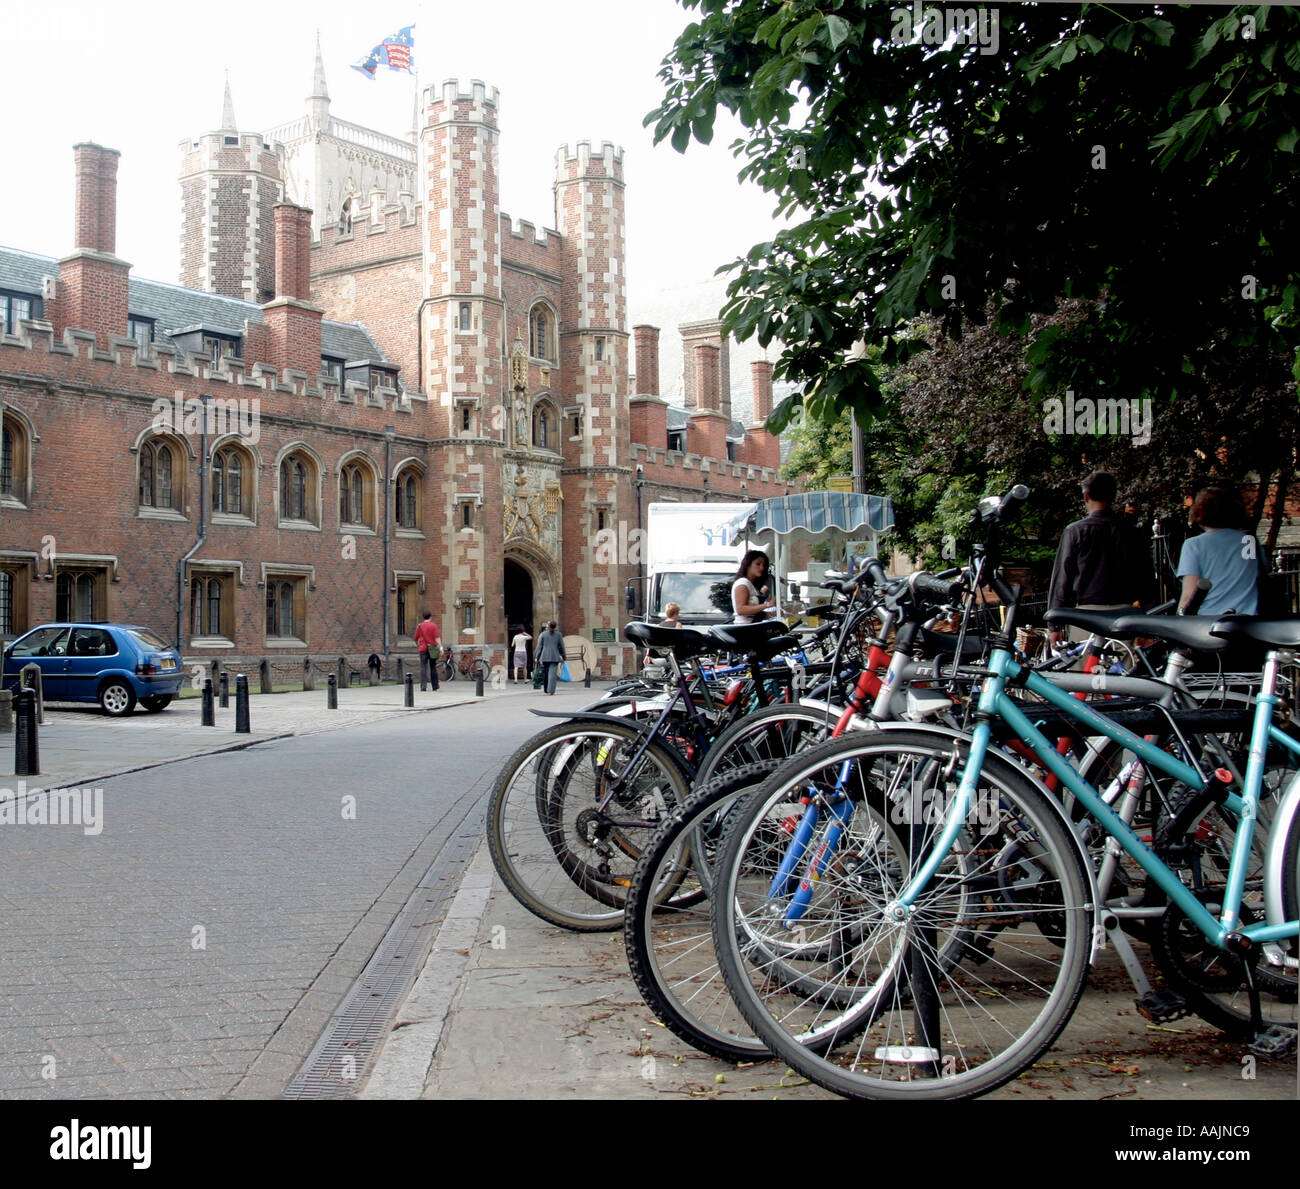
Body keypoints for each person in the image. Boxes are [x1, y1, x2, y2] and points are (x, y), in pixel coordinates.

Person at [1047, 472, 1155, 648]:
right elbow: (1146, 580)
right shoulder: (1132, 532)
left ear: (1086, 496)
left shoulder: (1074, 531)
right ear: (1113, 495)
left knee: (1085, 672)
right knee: (1121, 669)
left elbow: (1062, 580)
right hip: (1125, 616)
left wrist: (1054, 624)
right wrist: (1149, 625)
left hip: (1085, 616)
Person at [1176, 487, 1262, 616]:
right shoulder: (1248, 541)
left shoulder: (1194, 545)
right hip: (1248, 620)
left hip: (1208, 623)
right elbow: (1258, 575)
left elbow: (1189, 594)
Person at [732, 550, 777, 624]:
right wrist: (768, 605)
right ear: (748, 565)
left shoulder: (751, 585)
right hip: (745, 628)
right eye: (758, 564)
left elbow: (753, 613)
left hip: (752, 624)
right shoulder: (743, 584)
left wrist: (773, 614)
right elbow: (741, 610)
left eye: (764, 565)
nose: (762, 568)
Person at [413, 611, 441, 691]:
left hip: (423, 648)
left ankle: (423, 686)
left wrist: (419, 642)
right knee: (433, 667)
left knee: (423, 667)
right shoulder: (433, 626)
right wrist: (440, 647)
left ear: (423, 617)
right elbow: (437, 638)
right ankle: (435, 685)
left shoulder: (419, 626)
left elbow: (415, 638)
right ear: (430, 617)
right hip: (432, 649)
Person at [536, 620, 565, 695]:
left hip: (545, 656)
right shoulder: (558, 635)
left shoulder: (543, 634)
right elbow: (561, 646)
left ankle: (546, 689)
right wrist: (564, 656)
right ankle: (550, 690)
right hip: (555, 656)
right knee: (552, 674)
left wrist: (537, 656)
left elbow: (539, 647)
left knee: (546, 673)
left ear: (548, 627)